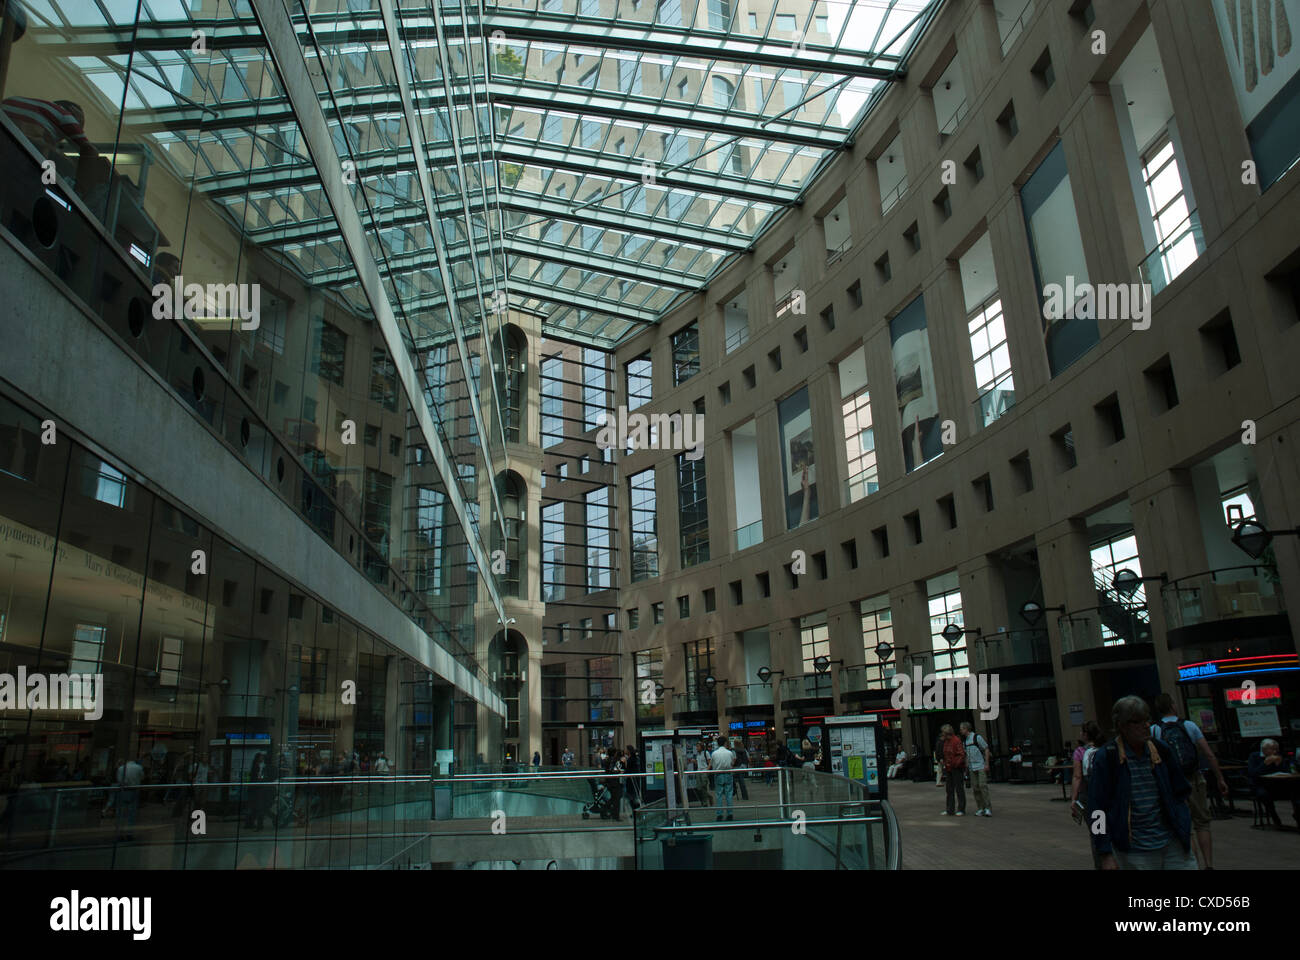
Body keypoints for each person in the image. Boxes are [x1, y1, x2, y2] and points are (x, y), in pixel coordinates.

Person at [1088, 695, 1196, 870]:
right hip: (1134, 851)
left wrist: (1184, 829)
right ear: (1122, 726)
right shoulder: (1107, 757)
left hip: (1172, 843)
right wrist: (1105, 852)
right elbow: (1097, 809)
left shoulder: (1161, 750)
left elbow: (1180, 793)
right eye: (1137, 722)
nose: (1146, 725)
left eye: (1147, 720)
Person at [1148, 692, 1229, 869]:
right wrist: (1220, 778)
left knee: (1186, 825)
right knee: (1202, 822)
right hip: (1194, 779)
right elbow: (1208, 753)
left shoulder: (1155, 730)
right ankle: (1208, 864)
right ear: (1172, 705)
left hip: (1172, 783)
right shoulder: (1189, 725)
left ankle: (1194, 863)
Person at [1070, 722, 1106, 869]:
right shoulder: (1105, 749)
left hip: (1090, 798)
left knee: (1097, 833)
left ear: (1085, 735)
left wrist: (1074, 798)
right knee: (1110, 828)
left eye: (1081, 732)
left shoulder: (1080, 752)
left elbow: (1077, 777)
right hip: (1107, 797)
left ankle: (1101, 863)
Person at [1247, 738, 1300, 828]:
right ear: (1264, 749)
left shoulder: (1279, 755)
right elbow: (1253, 774)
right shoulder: (1254, 757)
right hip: (1261, 784)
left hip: (1278, 784)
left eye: (1276, 749)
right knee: (1263, 794)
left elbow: (1288, 771)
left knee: (1296, 791)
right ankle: (1273, 814)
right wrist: (1265, 764)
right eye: (1272, 749)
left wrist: (1279, 764)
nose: (1275, 751)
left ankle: (1297, 814)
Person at [961, 722, 992, 816]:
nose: (961, 731)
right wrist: (966, 767)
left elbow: (986, 749)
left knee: (983, 785)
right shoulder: (965, 741)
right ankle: (980, 807)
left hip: (980, 765)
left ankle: (987, 807)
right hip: (971, 766)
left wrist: (987, 763)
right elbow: (966, 755)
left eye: (962, 728)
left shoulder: (976, 737)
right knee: (975, 787)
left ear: (967, 729)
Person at [115, 754, 145, 841]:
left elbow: (119, 780)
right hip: (135, 790)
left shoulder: (121, 769)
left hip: (123, 791)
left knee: (121, 813)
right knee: (132, 813)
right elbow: (142, 777)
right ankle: (129, 833)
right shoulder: (139, 768)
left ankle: (120, 833)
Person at [939, 724, 966, 816]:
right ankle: (950, 809)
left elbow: (961, 754)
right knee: (949, 789)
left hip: (956, 768)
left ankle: (961, 809)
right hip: (949, 767)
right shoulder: (946, 742)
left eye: (943, 733)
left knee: (959, 788)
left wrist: (955, 763)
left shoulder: (956, 741)